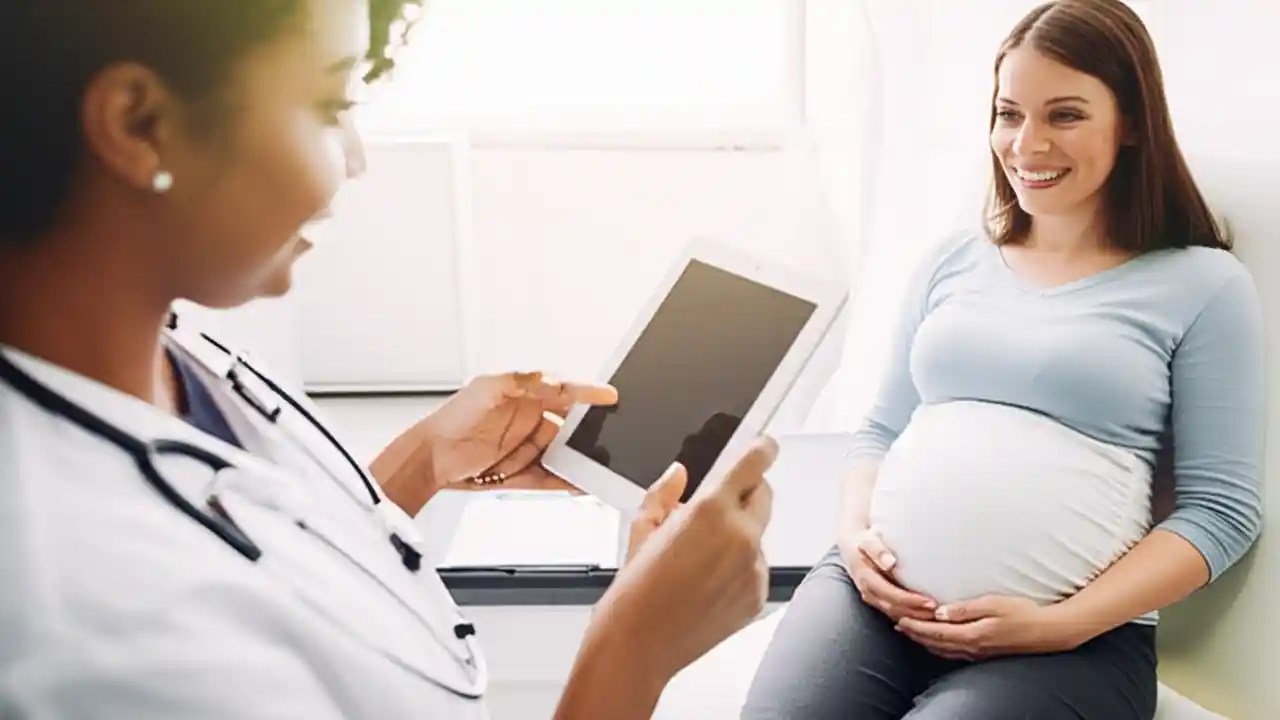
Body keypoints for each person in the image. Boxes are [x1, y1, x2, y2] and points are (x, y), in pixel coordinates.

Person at [0, 2, 778, 718]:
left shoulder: (165, 345)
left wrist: (421, 462)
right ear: (141, 126)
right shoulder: (88, 628)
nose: (356, 160)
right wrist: (634, 653)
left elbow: (267, 547)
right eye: (330, 108)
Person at [743, 1, 1264, 718]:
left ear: (1135, 123)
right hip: (869, 602)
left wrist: (1061, 623)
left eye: (1065, 115)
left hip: (1072, 644)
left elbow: (1222, 513)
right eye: (1009, 113)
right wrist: (854, 539)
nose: (1027, 144)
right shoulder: (954, 259)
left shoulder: (1202, 285)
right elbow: (879, 434)